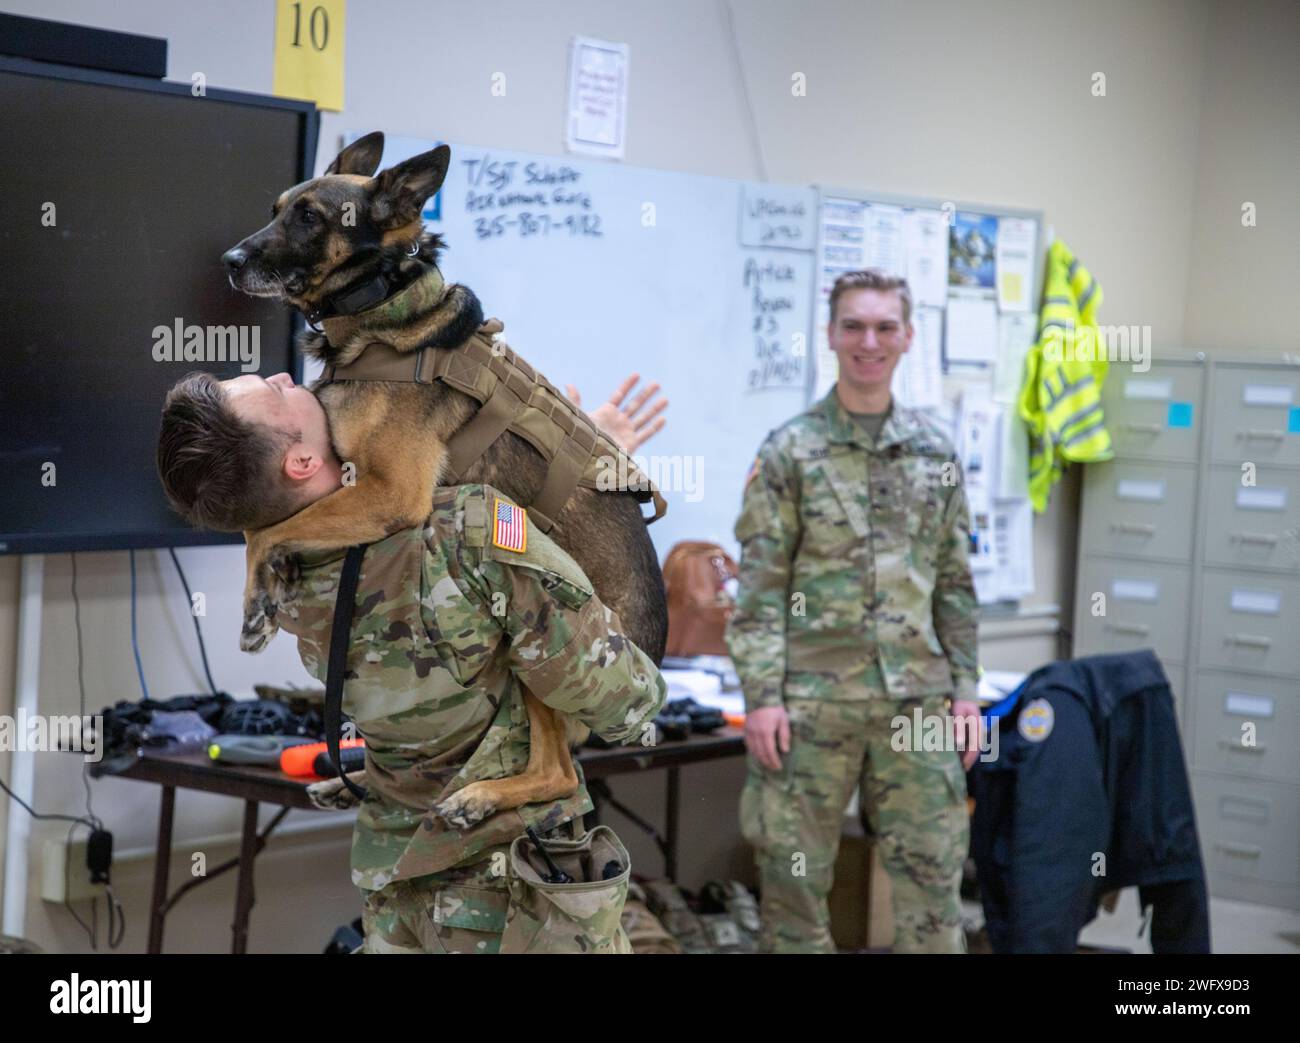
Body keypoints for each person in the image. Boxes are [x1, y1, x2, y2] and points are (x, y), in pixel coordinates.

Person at [156, 370, 669, 953]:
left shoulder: (289, 583)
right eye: (276, 393)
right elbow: (627, 703)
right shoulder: (465, 531)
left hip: (400, 904)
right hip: (516, 909)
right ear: (299, 463)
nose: (284, 375)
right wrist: (578, 496)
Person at [725, 269, 980, 954]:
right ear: (833, 335)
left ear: (907, 337)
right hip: (811, 704)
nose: (870, 340)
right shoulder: (790, 450)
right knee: (794, 886)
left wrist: (965, 692)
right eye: (855, 326)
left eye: (885, 326)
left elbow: (955, 581)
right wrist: (763, 698)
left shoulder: (937, 451)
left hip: (919, 704)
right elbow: (760, 589)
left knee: (934, 884)